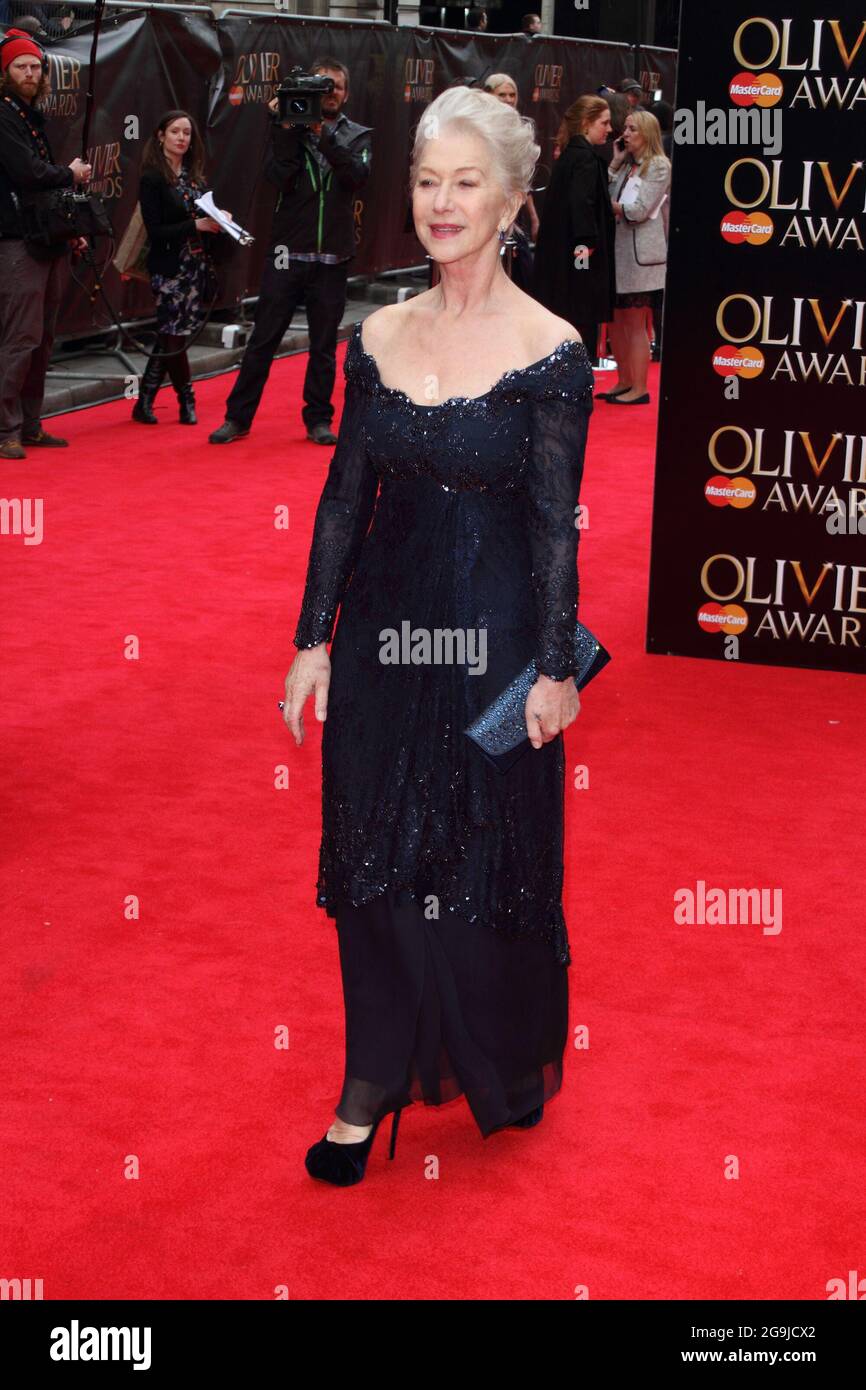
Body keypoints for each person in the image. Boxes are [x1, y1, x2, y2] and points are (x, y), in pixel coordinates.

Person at [283, 84, 595, 1186]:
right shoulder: (378, 332)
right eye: (425, 180)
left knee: (471, 868)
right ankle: (368, 1082)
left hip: (494, 647)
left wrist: (555, 669)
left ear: (512, 202)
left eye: (466, 183)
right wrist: (312, 639)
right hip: (379, 642)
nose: (441, 202)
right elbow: (340, 499)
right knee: (367, 859)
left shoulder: (551, 350)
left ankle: (492, 1052)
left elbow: (552, 524)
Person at [210, 58, 373, 447]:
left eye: (334, 87)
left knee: (322, 347)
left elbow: (357, 176)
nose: (328, 93)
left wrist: (323, 135)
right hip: (287, 255)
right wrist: (284, 127)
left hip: (332, 257)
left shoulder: (358, 135)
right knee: (263, 339)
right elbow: (278, 177)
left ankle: (318, 419)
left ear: (345, 93)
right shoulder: (290, 129)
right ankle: (237, 417)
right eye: (321, 87)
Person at [0, 26, 91, 460]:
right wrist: (70, 174)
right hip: (17, 242)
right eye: (22, 66)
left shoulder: (29, 117)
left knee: (44, 339)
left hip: (46, 240)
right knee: (21, 338)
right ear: (5, 72)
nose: (31, 73)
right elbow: (29, 175)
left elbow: (40, 185)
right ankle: (5, 430)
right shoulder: (3, 116)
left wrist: (69, 231)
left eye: (36, 67)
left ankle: (31, 424)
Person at [133, 110, 227, 426]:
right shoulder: (152, 177)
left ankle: (144, 398)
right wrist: (194, 225)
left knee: (169, 332)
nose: (181, 138)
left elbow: (200, 215)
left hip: (195, 265)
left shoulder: (193, 176)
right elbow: (155, 229)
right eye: (175, 131)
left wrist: (216, 218)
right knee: (174, 335)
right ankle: (186, 399)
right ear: (161, 135)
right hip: (169, 266)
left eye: (187, 133)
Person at [531, 95, 616, 367]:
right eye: (604, 122)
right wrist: (585, 257)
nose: (609, 129)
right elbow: (582, 206)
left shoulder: (570, 155)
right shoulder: (585, 160)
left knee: (569, 304)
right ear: (586, 123)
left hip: (564, 256)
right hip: (579, 255)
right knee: (580, 305)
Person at [604, 109, 670, 405]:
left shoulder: (658, 166)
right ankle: (624, 380)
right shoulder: (626, 164)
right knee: (616, 320)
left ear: (647, 133)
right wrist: (615, 162)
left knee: (634, 322)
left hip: (641, 257)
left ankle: (640, 387)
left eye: (632, 129)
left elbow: (640, 210)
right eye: (625, 128)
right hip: (618, 252)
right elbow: (603, 191)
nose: (625, 134)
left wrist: (614, 207)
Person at [483, 73, 539, 290]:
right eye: (502, 94)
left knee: (522, 274)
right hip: (488, 210)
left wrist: (534, 218)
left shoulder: (520, 129)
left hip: (514, 214)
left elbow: (525, 180)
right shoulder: (480, 128)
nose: (508, 99)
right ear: (488, 96)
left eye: (512, 94)